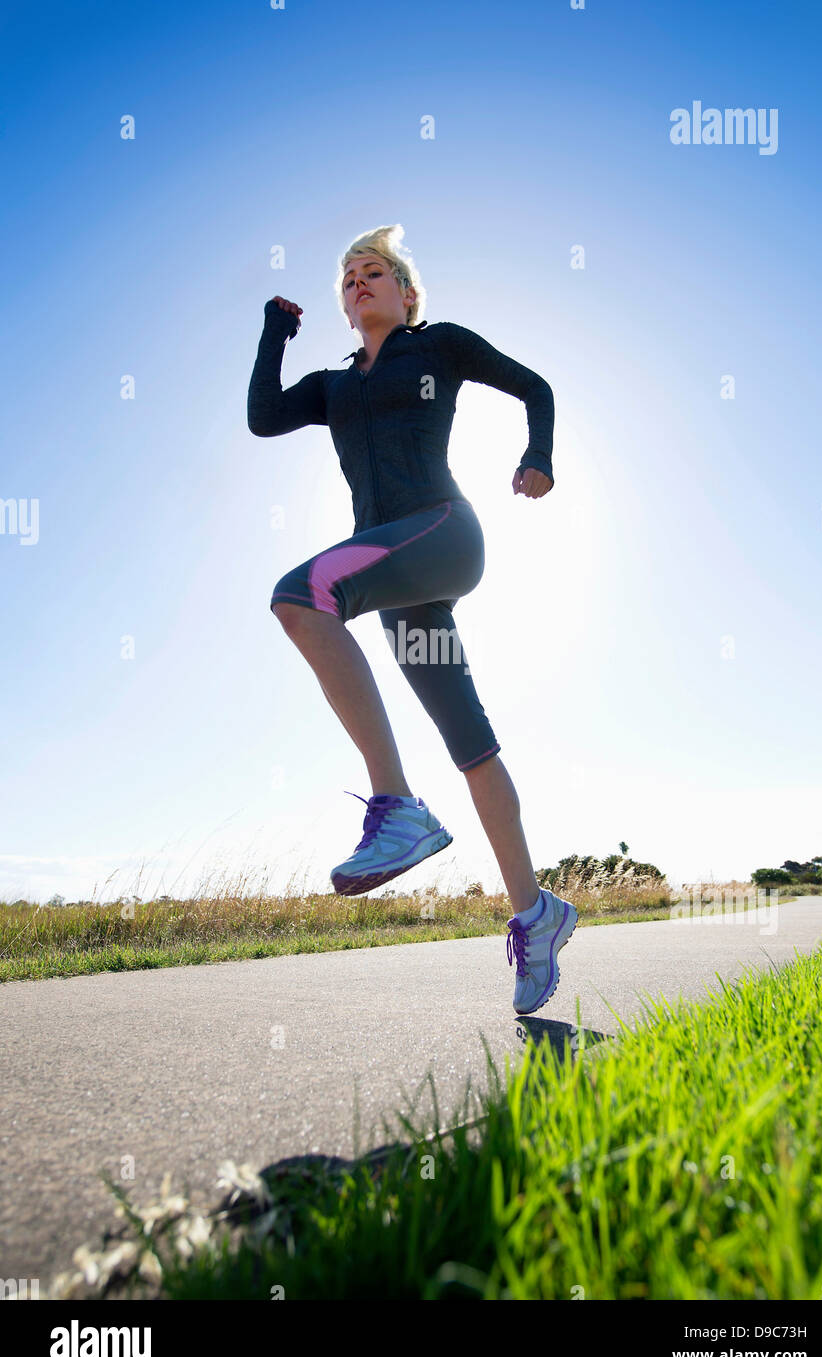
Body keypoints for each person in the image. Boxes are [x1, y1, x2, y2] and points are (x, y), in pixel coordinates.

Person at [247, 224, 578, 1015]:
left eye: (373, 272)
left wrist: (540, 457)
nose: (358, 282)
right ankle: (537, 913)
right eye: (347, 278)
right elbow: (263, 417)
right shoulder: (332, 386)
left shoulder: (440, 347)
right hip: (398, 581)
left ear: (406, 293)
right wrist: (273, 332)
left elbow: (536, 386)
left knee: (301, 594)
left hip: (442, 534)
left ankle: (393, 803)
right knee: (470, 743)